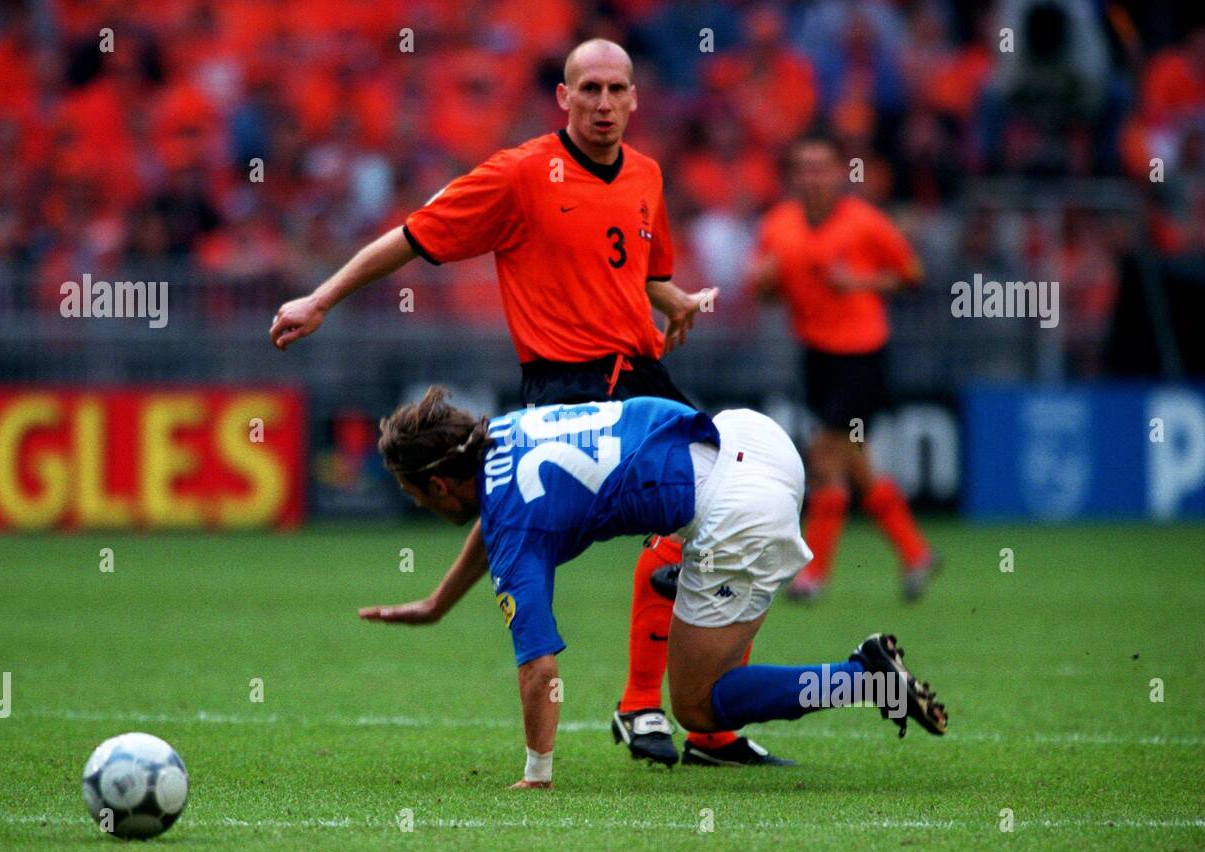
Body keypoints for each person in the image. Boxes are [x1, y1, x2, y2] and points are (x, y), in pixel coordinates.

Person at [271, 39, 768, 768]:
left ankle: (673, 716)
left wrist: (678, 297)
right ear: (563, 98)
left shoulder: (648, 177)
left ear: (635, 98)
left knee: (721, 505)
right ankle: (651, 710)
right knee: (694, 514)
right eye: (588, 89)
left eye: (616, 90)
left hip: (638, 370)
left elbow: (636, 273)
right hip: (568, 381)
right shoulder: (520, 173)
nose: (603, 103)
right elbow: (411, 236)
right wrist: (320, 298)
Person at [359, 387, 948, 789]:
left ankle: (865, 680)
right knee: (676, 566)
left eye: (414, 495)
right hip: (749, 437)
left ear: (438, 484)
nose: (419, 505)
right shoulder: (507, 431)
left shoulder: (513, 522)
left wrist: (536, 773)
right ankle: (662, 663)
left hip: (738, 510)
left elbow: (540, 670)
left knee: (697, 705)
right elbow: (497, 515)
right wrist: (439, 604)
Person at [747, 133, 938, 602]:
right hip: (814, 356)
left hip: (861, 355)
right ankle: (917, 553)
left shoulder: (865, 223)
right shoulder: (779, 225)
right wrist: (767, 282)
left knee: (825, 455)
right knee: (855, 465)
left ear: (838, 173)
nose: (812, 177)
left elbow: (913, 275)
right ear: (793, 176)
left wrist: (859, 281)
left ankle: (813, 573)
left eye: (821, 167)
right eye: (803, 167)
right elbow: (764, 291)